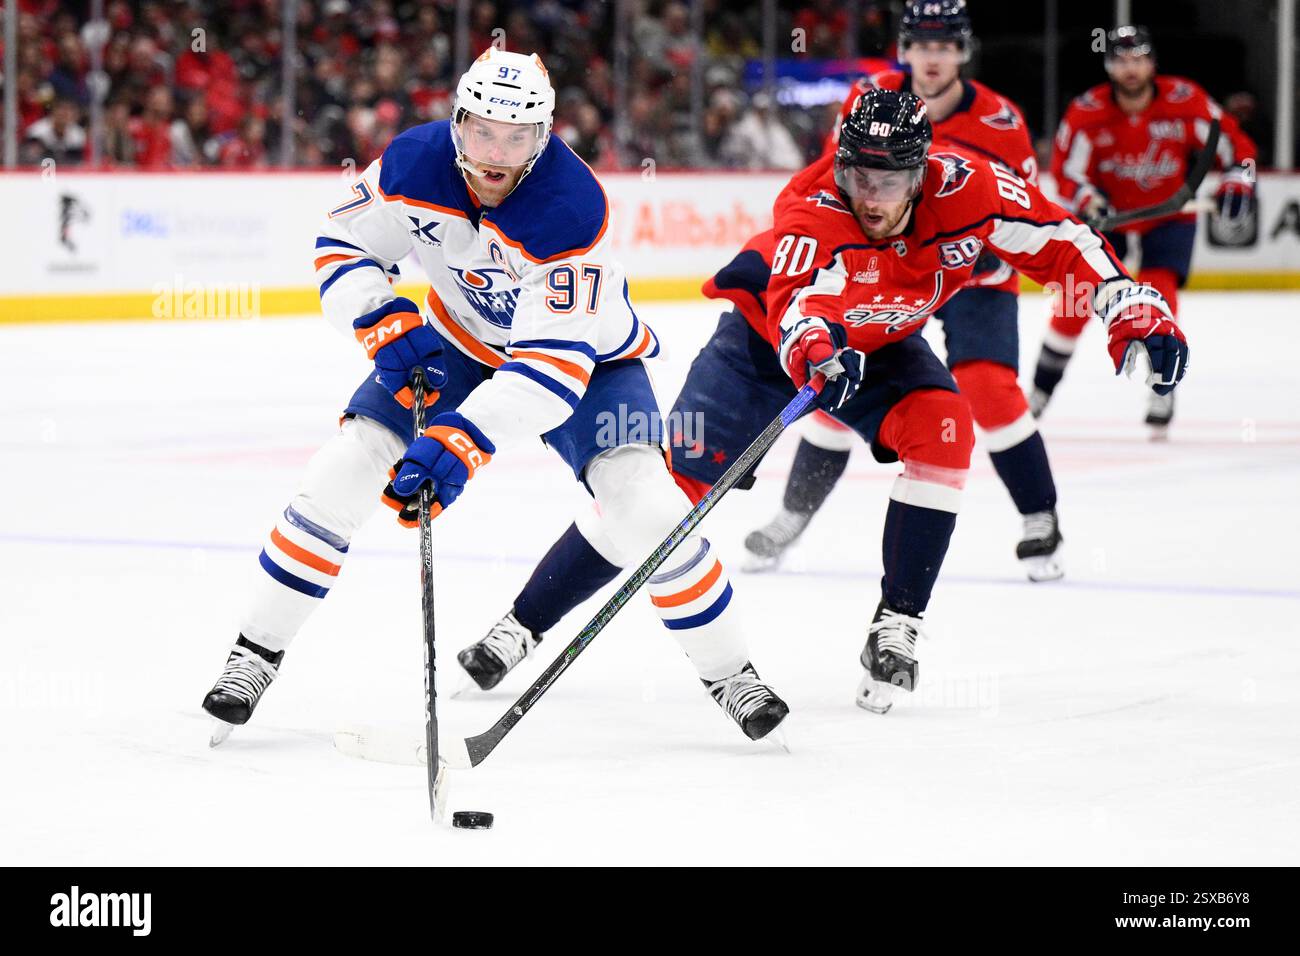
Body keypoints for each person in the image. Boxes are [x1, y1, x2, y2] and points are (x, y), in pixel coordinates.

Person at [457, 88, 1189, 714]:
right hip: (763, 348)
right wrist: (815, 349)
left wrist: (1131, 306)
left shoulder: (974, 189)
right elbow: (800, 302)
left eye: (887, 181)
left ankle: (897, 624)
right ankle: (523, 624)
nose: (868, 197)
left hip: (876, 347)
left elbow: (1062, 240)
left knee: (945, 429)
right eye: (856, 176)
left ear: (922, 172)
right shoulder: (810, 204)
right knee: (659, 498)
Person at [200, 49, 790, 746]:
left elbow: (549, 372)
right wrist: (377, 316)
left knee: (650, 509)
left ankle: (731, 673)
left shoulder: (570, 208)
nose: (496, 154)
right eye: (482, 131)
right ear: (457, 123)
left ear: (543, 136)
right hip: (455, 343)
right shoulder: (413, 162)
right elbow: (341, 241)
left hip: (590, 365)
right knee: (344, 467)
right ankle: (253, 655)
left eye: (517, 137)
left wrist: (463, 439)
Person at [746, 0, 1067, 581]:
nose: (933, 57)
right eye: (922, 45)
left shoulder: (1000, 119)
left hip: (973, 269)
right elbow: (836, 184)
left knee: (988, 389)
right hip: (883, 267)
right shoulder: (869, 97)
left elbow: (1025, 213)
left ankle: (1039, 516)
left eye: (945, 46)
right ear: (905, 48)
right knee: (839, 374)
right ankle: (793, 513)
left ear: (963, 52)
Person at [1030, 24, 1256, 433]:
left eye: (1139, 59)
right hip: (1109, 221)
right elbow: (1067, 173)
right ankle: (1039, 392)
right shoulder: (1086, 112)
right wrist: (1087, 200)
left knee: (1159, 293)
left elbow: (1236, 148)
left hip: (1167, 218)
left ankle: (1162, 385)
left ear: (1153, 62)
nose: (1131, 69)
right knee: (1074, 305)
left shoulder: (1186, 102)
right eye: (1121, 60)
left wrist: (1240, 178)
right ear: (1108, 66)